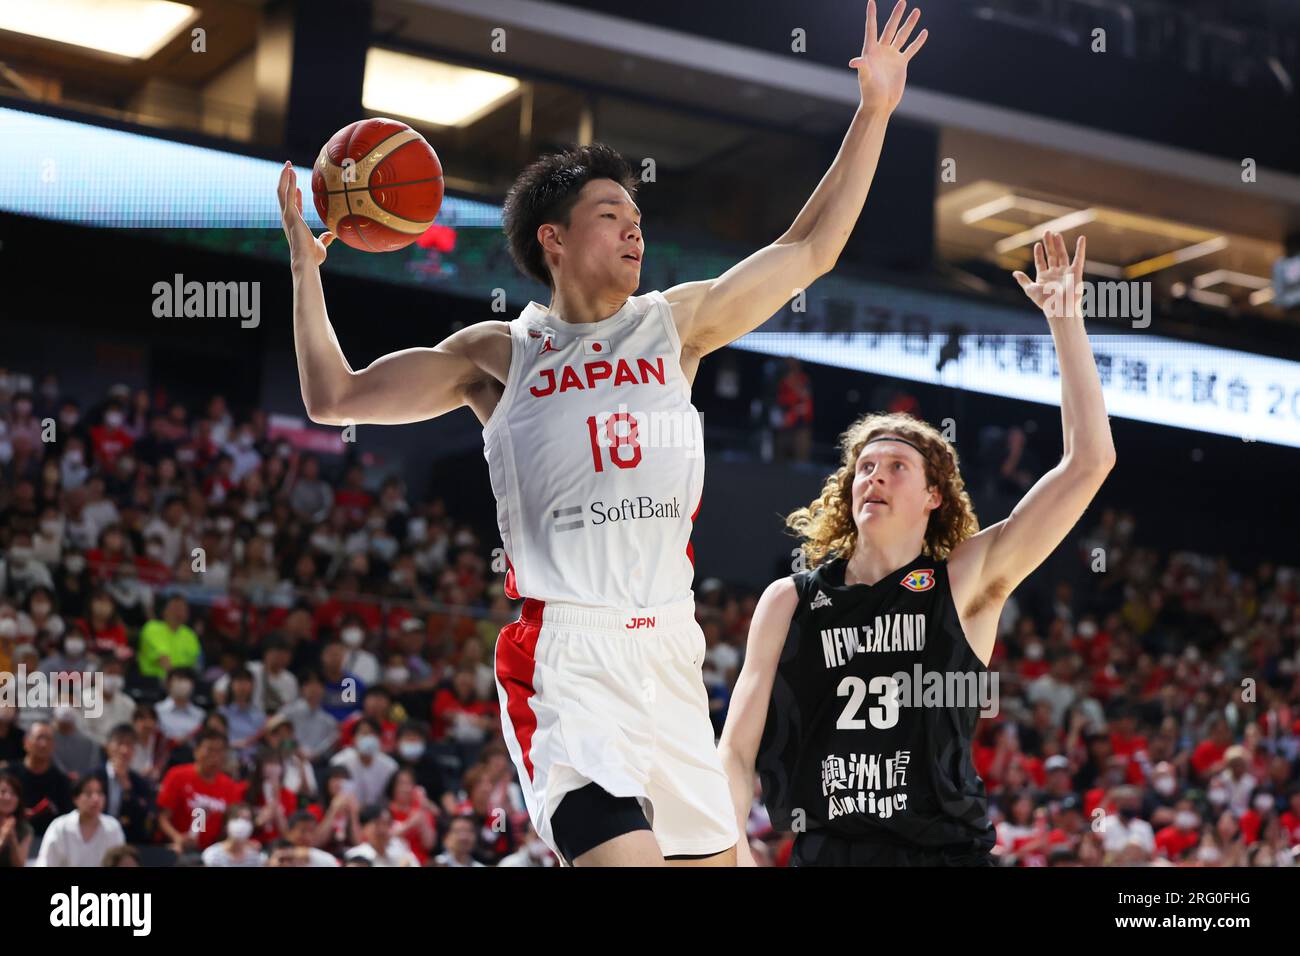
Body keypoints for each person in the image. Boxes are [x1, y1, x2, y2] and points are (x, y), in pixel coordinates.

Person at [278, 0, 929, 867]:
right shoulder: (501, 354)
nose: (634, 228)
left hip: (668, 647)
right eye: (610, 214)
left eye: (636, 216)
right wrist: (302, 266)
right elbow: (335, 397)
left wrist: (875, 110)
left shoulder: (677, 325)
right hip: (566, 661)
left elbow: (809, 248)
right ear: (553, 239)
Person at [719, 230, 1116, 866]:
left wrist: (1065, 320)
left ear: (935, 496)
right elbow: (736, 752)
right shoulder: (789, 601)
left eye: (896, 465)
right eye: (864, 466)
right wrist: (731, 850)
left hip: (945, 854)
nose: (873, 475)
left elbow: (1090, 461)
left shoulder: (965, 579)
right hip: (829, 853)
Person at [156, 729, 243, 856]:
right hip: (176, 848)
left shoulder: (229, 785)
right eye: (209, 750)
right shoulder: (177, 775)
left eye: (219, 751)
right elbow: (163, 817)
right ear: (196, 751)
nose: (214, 756)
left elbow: (230, 823)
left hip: (211, 853)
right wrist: (177, 837)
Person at [34, 776, 125, 867]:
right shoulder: (60, 827)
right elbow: (46, 863)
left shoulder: (113, 827)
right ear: (75, 799)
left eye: (100, 793)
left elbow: (120, 862)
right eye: (88, 793)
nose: (95, 798)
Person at [2, 721, 72, 837]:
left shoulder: (62, 781)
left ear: (54, 745)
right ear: (26, 742)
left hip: (48, 840)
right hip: (10, 836)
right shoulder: (7, 775)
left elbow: (66, 818)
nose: (43, 744)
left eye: (48, 739)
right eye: (39, 738)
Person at [92, 724, 154, 844]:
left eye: (130, 745)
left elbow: (146, 822)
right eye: (120, 743)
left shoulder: (140, 783)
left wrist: (128, 789)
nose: (124, 750)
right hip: (94, 836)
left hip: (127, 842)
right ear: (108, 747)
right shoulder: (93, 777)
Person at [344, 805, 418, 867]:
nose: (383, 830)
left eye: (388, 824)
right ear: (364, 828)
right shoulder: (355, 856)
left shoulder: (400, 850)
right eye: (377, 824)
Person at [201, 802, 267, 867]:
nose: (241, 823)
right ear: (226, 824)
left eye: (246, 819)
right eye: (236, 818)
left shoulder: (256, 858)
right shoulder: (213, 855)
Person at [0, 771, 34, 866]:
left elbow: (19, 865)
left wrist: (13, 839)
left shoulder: (24, 828)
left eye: (13, 793)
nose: (8, 797)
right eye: (3, 792)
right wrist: (2, 837)